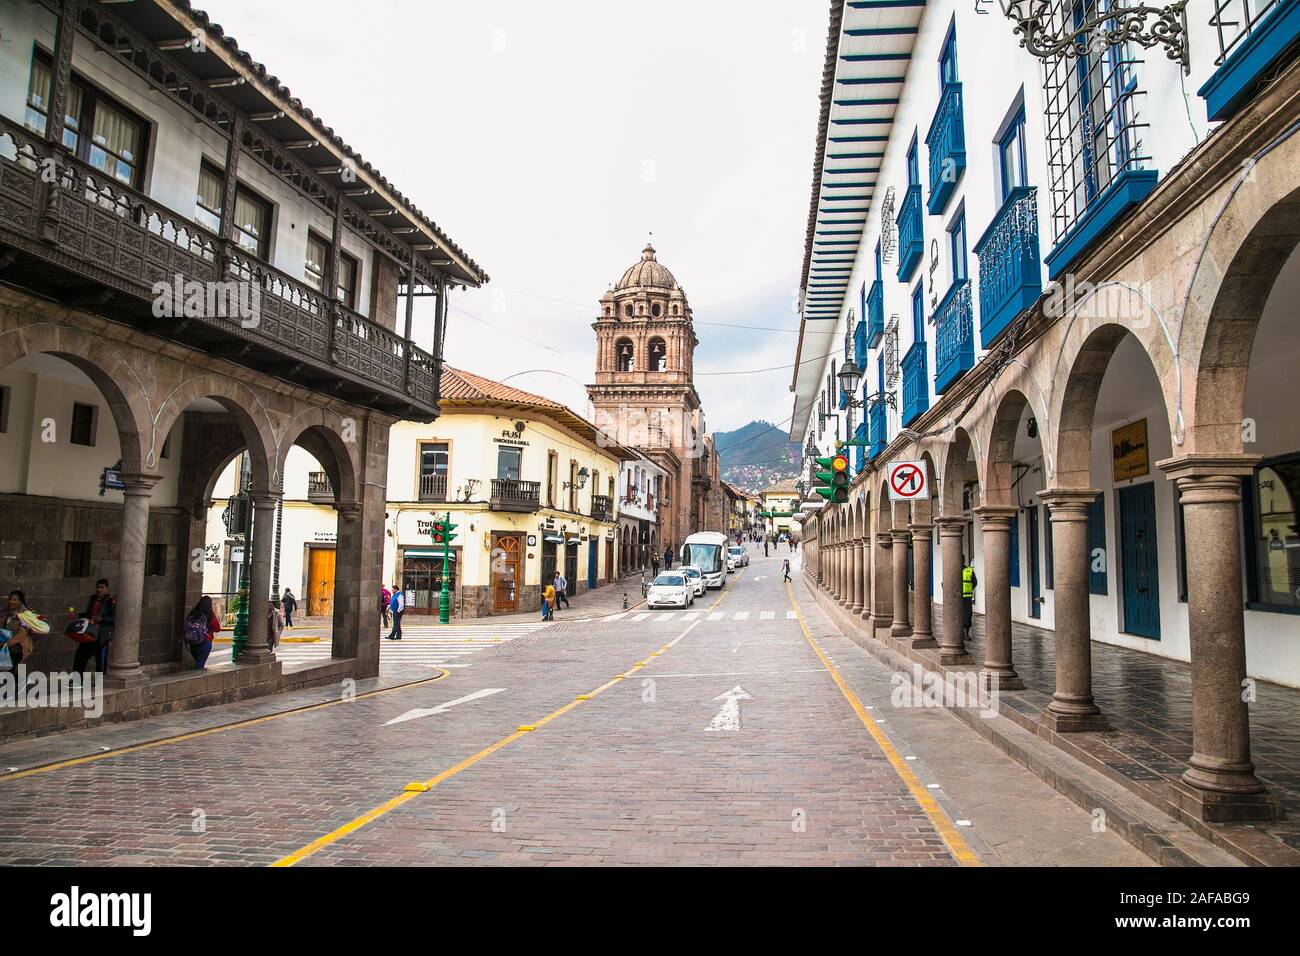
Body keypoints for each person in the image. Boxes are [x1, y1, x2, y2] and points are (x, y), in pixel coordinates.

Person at [1, 590, 48, 676]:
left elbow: (21, 635)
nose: (12, 601)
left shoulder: (25, 615)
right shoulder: (6, 612)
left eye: (15, 600)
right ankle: (20, 683)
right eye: (10, 599)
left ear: (20, 601)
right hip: (6, 645)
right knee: (7, 668)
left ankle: (19, 683)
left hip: (20, 646)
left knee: (8, 667)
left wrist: (6, 644)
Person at [73, 578, 115, 674]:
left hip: (101, 635)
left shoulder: (110, 601)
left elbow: (114, 618)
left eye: (102, 587)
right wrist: (78, 616)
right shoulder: (92, 600)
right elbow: (89, 614)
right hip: (89, 633)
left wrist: (102, 619)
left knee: (100, 659)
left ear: (106, 589)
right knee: (80, 655)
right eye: (97, 587)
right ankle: (77, 680)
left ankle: (99, 682)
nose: (99, 590)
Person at [183, 596, 220, 670]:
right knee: (199, 666)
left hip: (192, 642)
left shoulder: (193, 613)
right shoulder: (209, 614)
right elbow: (217, 628)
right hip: (205, 641)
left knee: (197, 662)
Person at [962, 556, 978, 642]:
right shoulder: (951, 569)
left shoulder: (969, 570)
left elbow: (974, 582)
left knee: (967, 615)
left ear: (964, 561)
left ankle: (966, 633)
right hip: (955, 598)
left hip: (967, 597)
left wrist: (967, 589)